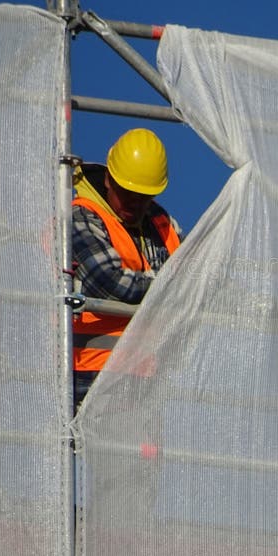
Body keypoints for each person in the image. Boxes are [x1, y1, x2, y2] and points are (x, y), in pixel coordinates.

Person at [72, 128, 182, 406]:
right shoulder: (80, 217)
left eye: (144, 196)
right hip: (90, 378)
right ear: (108, 179)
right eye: (128, 192)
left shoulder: (161, 224)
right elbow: (112, 284)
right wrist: (178, 286)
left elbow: (203, 269)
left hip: (150, 377)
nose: (135, 203)